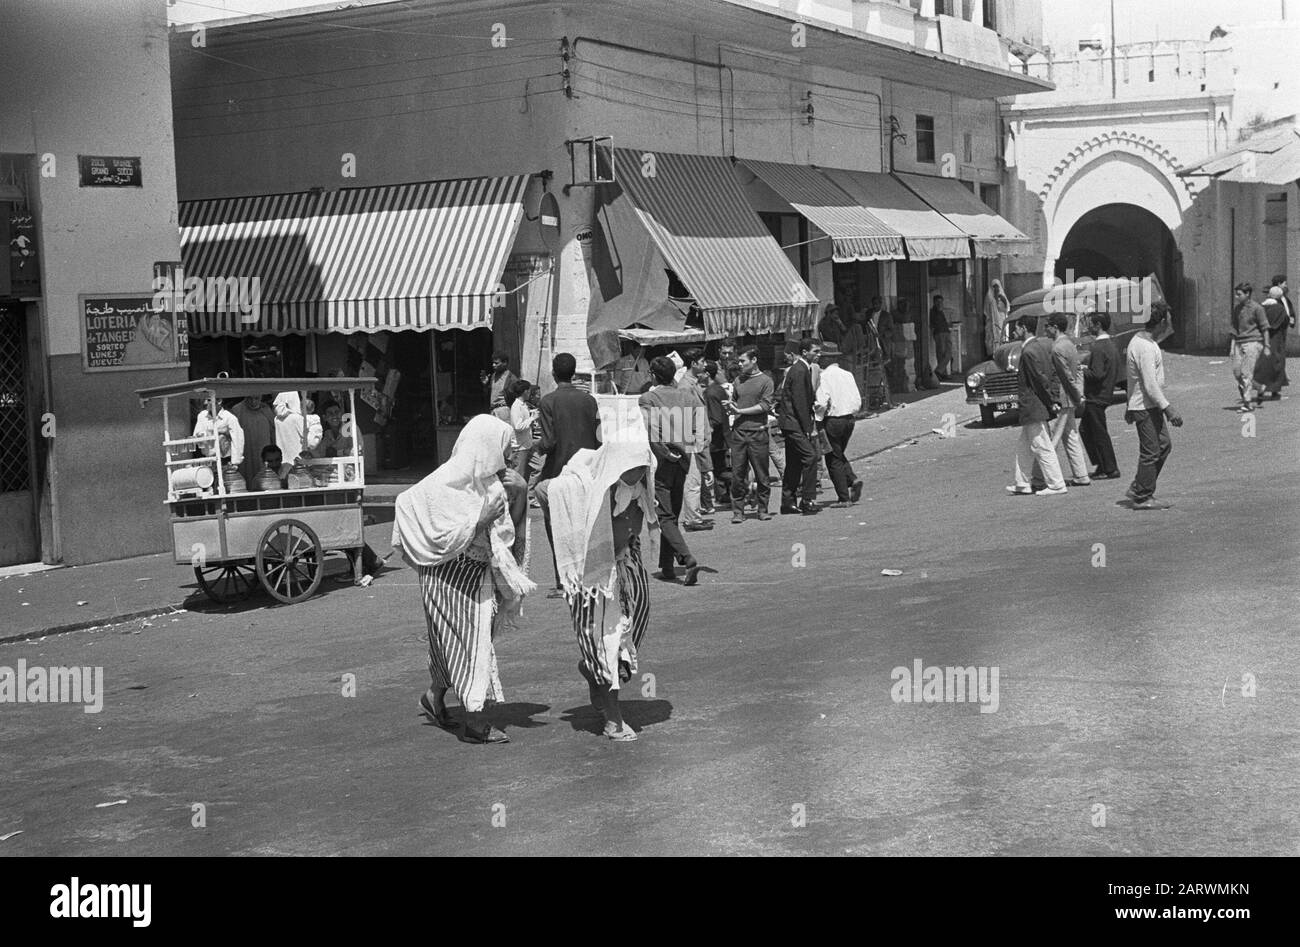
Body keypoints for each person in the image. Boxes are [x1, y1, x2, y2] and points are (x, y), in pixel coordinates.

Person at [393, 415, 535, 745]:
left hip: (476, 576)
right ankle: (474, 722)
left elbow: (507, 537)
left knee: (454, 644)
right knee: (472, 646)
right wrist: (476, 521)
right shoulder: (439, 484)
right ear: (485, 448)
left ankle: (433, 697)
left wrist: (522, 494)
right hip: (443, 578)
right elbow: (406, 507)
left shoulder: (493, 486)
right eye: (505, 450)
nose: (509, 458)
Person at [550, 411, 658, 742]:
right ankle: (613, 718)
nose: (639, 472)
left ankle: (595, 671)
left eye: (643, 466)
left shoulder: (638, 487)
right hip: (595, 578)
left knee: (630, 632)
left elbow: (646, 519)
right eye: (633, 466)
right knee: (607, 642)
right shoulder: (584, 486)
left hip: (626, 568)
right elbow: (544, 491)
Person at [535, 353, 601, 596]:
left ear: (554, 373)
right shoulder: (589, 400)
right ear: (573, 373)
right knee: (584, 526)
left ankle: (563, 580)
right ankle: (587, 575)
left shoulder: (548, 401)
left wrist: (536, 446)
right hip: (587, 471)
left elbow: (550, 441)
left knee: (557, 528)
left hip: (558, 473)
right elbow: (599, 438)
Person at [639, 356, 704, 585]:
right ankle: (667, 565)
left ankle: (686, 558)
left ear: (654, 376)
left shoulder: (649, 398)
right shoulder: (686, 396)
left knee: (663, 515)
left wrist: (665, 452)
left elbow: (652, 431)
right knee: (672, 514)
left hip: (662, 460)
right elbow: (700, 425)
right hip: (684, 458)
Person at [1124, 301, 1183, 510]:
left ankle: (1140, 485)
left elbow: (1134, 379)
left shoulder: (1143, 342)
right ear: (1162, 321)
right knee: (1151, 450)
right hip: (1145, 406)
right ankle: (1142, 496)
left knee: (1163, 445)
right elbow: (1149, 384)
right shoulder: (1145, 347)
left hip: (1146, 405)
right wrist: (1168, 408)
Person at [1006, 316, 1067, 497]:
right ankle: (1022, 482)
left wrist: (1051, 402)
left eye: (1016, 328)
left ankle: (1056, 483)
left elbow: (1039, 381)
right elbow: (1051, 375)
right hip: (1035, 406)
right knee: (1024, 446)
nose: (1015, 332)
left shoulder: (1028, 352)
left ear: (1024, 328)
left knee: (1042, 446)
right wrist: (1053, 399)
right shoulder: (1040, 347)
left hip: (1033, 406)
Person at [725, 346, 775, 523]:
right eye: (739, 361)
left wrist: (740, 410)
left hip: (757, 433)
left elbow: (764, 406)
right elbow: (735, 401)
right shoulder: (738, 380)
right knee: (737, 475)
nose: (740, 364)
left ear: (754, 360)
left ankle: (763, 509)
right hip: (738, 434)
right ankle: (738, 511)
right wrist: (730, 407)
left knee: (762, 475)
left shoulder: (766, 381)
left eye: (743, 361)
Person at [813, 342, 863, 507]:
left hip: (833, 421)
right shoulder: (847, 374)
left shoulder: (824, 377)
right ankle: (852, 479)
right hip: (849, 419)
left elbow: (821, 402)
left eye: (821, 357)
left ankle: (843, 497)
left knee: (832, 458)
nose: (819, 360)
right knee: (838, 453)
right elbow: (857, 400)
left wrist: (817, 419)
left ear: (827, 358)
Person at [1045, 312, 1092, 487]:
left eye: (1047, 326)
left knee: (1051, 439)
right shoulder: (1070, 344)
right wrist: (1079, 393)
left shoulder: (1057, 348)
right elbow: (1078, 370)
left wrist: (1077, 395)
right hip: (1070, 400)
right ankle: (1081, 475)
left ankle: (1043, 478)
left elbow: (1065, 376)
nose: (1045, 330)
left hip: (1063, 399)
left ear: (1055, 327)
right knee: (1071, 436)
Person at [777, 338, 820, 515]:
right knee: (810, 457)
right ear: (804, 352)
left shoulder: (803, 369)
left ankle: (788, 501)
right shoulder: (800, 370)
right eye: (815, 351)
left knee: (794, 462)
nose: (819, 355)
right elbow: (800, 402)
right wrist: (808, 428)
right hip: (793, 422)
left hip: (791, 422)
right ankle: (807, 499)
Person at [1079, 312, 1121, 480]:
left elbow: (1096, 374)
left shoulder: (1098, 347)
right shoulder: (1110, 345)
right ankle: (1102, 464)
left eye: (1090, 324)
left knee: (1098, 432)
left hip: (1096, 396)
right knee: (1086, 429)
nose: (1088, 327)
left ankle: (1109, 467)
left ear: (1098, 325)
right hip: (1104, 393)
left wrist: (1081, 370)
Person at [1230, 282, 1270, 412]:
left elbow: (1265, 328)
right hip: (1239, 342)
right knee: (1237, 373)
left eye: (1239, 294)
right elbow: (1234, 329)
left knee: (1246, 373)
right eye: (1236, 294)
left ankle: (1247, 403)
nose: (1236, 296)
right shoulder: (1236, 309)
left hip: (1254, 342)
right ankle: (1258, 387)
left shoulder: (1257, 308)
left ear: (1247, 294)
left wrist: (1267, 345)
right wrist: (1232, 347)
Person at [192, 400, 245, 484]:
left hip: (225, 461)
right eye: (205, 400)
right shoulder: (202, 416)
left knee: (226, 486)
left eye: (209, 400)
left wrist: (235, 462)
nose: (205, 402)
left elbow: (238, 439)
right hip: (208, 461)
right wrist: (203, 436)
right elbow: (196, 437)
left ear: (219, 401)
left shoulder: (229, 417)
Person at [702, 361, 732, 509]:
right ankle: (725, 494)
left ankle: (743, 485)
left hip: (717, 439)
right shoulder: (718, 389)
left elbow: (716, 419)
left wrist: (705, 430)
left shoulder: (711, 392)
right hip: (723, 436)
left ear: (707, 374)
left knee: (718, 470)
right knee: (721, 468)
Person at [231, 395, 276, 490]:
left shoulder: (266, 410)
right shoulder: (237, 410)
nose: (253, 402)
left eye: (256, 398)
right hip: (246, 454)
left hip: (263, 452)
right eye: (250, 399)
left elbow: (273, 432)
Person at [1261, 281, 1290, 399]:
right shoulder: (1279, 308)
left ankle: (1261, 389)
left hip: (1263, 338)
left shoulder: (1261, 307)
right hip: (1277, 339)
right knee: (1277, 363)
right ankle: (1275, 391)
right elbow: (1285, 321)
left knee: (1263, 364)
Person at [1267, 275, 1294, 399]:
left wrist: (1292, 320)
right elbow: (1282, 317)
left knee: (1278, 359)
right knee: (1277, 359)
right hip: (1276, 335)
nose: (1286, 285)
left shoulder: (1284, 299)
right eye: (1284, 283)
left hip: (1280, 333)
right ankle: (1274, 390)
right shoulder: (1275, 304)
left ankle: (1274, 387)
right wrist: (1288, 320)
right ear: (1279, 284)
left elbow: (1290, 310)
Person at [984, 279, 1011, 357]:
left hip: (1002, 322)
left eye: (997, 286)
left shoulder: (1002, 297)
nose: (996, 289)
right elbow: (986, 311)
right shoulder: (989, 298)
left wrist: (1003, 301)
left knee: (1002, 338)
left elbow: (1007, 309)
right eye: (994, 287)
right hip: (992, 323)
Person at [930, 295, 953, 381]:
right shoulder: (933, 312)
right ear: (934, 302)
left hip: (946, 332)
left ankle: (939, 371)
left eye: (941, 302)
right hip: (939, 333)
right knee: (941, 354)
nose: (940, 304)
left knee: (948, 353)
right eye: (938, 302)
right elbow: (934, 323)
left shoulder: (941, 311)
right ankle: (942, 373)